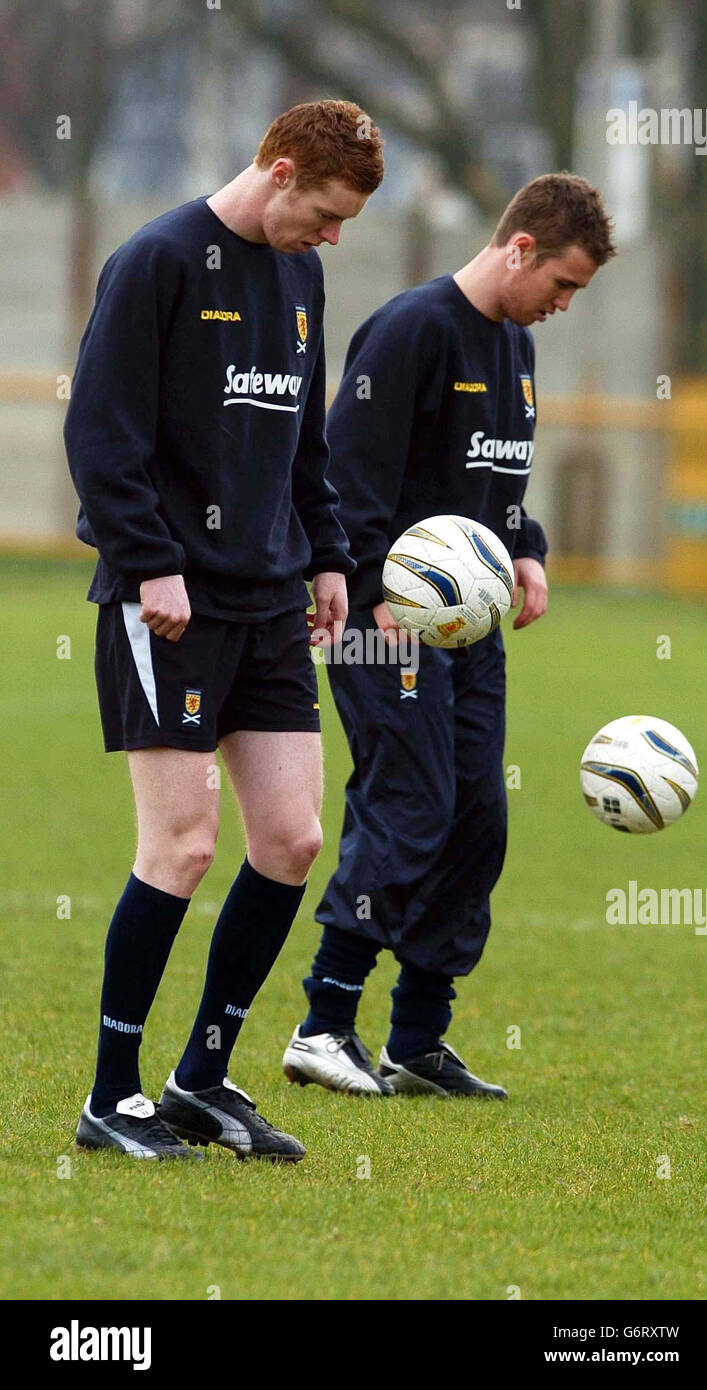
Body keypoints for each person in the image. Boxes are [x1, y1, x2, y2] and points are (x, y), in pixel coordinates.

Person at [64, 100, 383, 1160]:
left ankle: (201, 1076)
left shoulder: (303, 277)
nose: (332, 237)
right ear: (281, 171)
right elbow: (97, 429)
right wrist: (151, 556)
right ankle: (112, 1097)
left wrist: (329, 555)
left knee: (292, 841)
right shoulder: (155, 260)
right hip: (170, 604)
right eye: (326, 214)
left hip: (271, 597)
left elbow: (303, 444)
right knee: (184, 845)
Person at [283, 173, 616, 1098]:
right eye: (562, 285)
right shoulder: (412, 330)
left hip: (468, 627)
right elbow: (342, 478)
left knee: (477, 816)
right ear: (519, 249)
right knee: (412, 801)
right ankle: (323, 1023)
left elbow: (493, 483)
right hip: (376, 622)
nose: (562, 306)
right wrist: (370, 589)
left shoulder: (513, 343)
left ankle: (418, 1038)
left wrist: (528, 551)